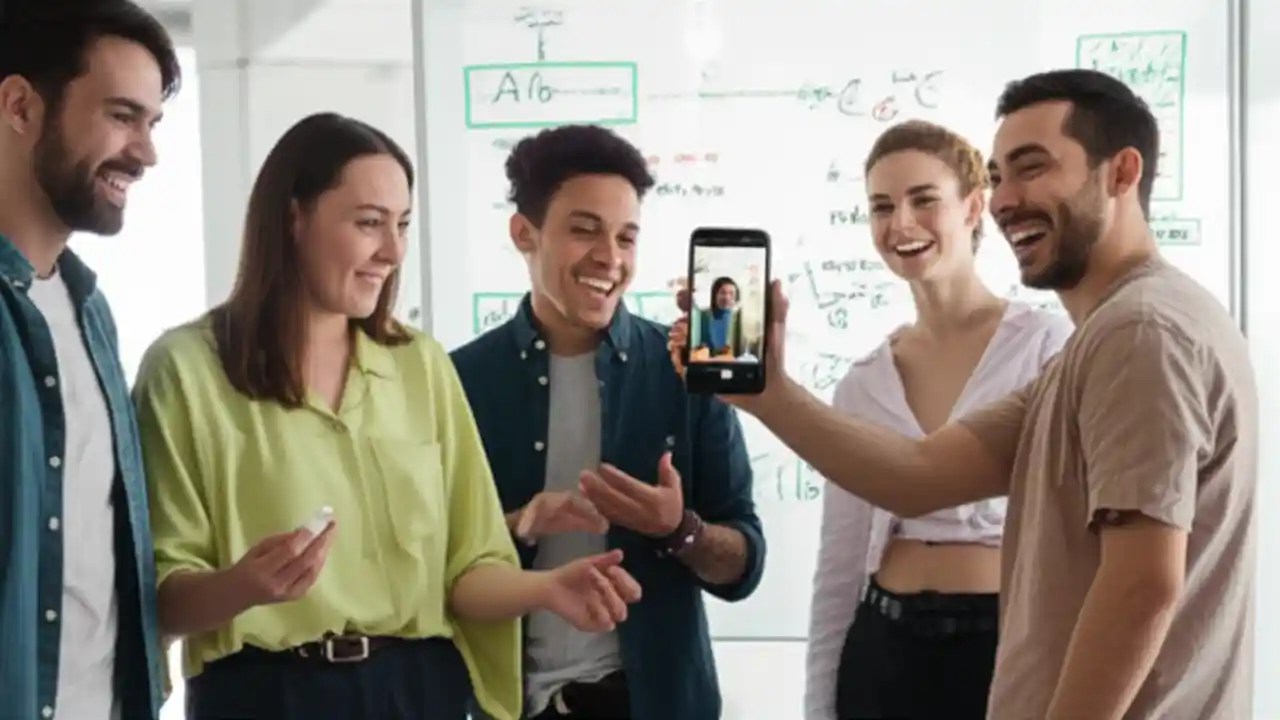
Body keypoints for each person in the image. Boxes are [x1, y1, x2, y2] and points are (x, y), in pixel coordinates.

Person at [674, 68, 1257, 720]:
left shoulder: (1139, 331)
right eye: (999, 176)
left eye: (1032, 168)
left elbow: (1140, 586)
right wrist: (766, 393)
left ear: (1121, 173)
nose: (1005, 199)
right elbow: (918, 476)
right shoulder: (1102, 344)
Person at [131, 113, 642, 720]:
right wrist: (243, 585)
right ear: (293, 218)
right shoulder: (185, 371)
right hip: (263, 694)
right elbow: (158, 599)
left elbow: (468, 567)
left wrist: (548, 589)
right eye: (369, 223)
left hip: (418, 689)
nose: (393, 252)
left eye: (402, 225)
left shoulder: (419, 365)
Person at [451, 124, 765, 720]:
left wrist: (680, 529)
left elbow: (745, 565)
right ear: (524, 234)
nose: (610, 258)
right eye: (584, 230)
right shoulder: (459, 382)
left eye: (626, 237)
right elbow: (429, 568)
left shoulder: (684, 372)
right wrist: (514, 526)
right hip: (511, 705)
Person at [804, 120, 1072, 720]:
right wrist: (819, 708)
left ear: (974, 207)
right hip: (883, 648)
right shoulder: (863, 383)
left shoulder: (1047, 346)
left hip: (1002, 645)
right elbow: (839, 569)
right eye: (882, 206)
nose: (901, 224)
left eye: (924, 199)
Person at [0, 3, 181, 719]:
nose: (146, 152)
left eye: (152, 123)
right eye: (121, 116)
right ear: (20, 106)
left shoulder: (90, 312)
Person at [693, 276, 744, 358]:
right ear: (714, 295)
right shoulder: (703, 317)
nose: (727, 297)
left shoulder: (738, 319)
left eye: (731, 293)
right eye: (723, 293)